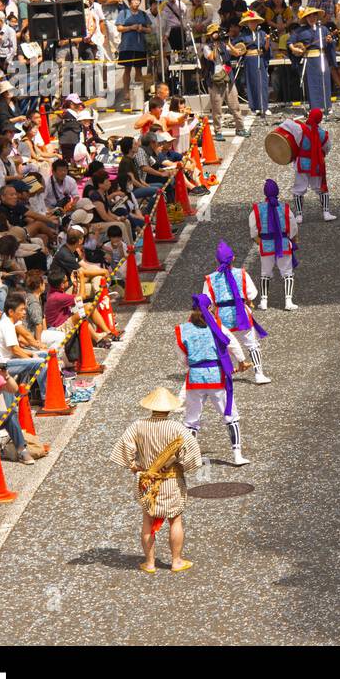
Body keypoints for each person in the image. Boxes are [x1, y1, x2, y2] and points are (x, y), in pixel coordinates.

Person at [111, 387, 203, 574]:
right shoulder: (177, 428)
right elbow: (191, 454)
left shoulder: (138, 425)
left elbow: (124, 448)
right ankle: (176, 561)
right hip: (171, 480)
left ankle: (150, 563)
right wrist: (182, 466)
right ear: (169, 408)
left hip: (147, 479)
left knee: (147, 519)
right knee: (175, 519)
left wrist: (134, 466)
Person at [176, 294, 251, 466]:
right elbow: (232, 343)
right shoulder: (216, 326)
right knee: (230, 415)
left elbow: (182, 358)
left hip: (195, 377)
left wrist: (194, 362)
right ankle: (237, 455)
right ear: (209, 308)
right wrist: (241, 361)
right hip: (216, 376)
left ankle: (190, 457)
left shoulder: (182, 329)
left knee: (191, 419)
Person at [202, 241, 270, 386]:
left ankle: (225, 374)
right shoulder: (242, 274)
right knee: (252, 344)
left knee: (223, 345)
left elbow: (207, 300)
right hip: (241, 314)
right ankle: (259, 374)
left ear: (217, 260)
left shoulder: (210, 279)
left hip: (221, 315)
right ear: (233, 258)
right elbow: (252, 293)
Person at [250, 178, 299, 311]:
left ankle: (264, 301)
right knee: (287, 273)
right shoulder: (285, 208)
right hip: (283, 244)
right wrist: (292, 239)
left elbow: (253, 231)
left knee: (265, 273)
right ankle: (288, 301)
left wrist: (260, 241)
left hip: (265, 245)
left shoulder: (256, 209)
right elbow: (293, 228)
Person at [289, 7, 338, 115]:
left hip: (321, 57)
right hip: (309, 60)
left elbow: (331, 42)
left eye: (314, 15)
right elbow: (290, 41)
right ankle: (314, 108)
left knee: (324, 82)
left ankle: (327, 106)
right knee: (312, 84)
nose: (312, 18)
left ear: (317, 17)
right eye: (309, 16)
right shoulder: (300, 31)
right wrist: (294, 48)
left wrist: (330, 41)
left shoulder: (323, 29)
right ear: (306, 18)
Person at [291, 108, 335, 222]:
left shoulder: (301, 130)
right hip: (316, 165)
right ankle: (326, 213)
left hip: (301, 164)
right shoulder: (322, 134)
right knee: (321, 189)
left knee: (298, 190)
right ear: (320, 119)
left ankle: (299, 215)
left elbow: (293, 143)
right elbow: (327, 147)